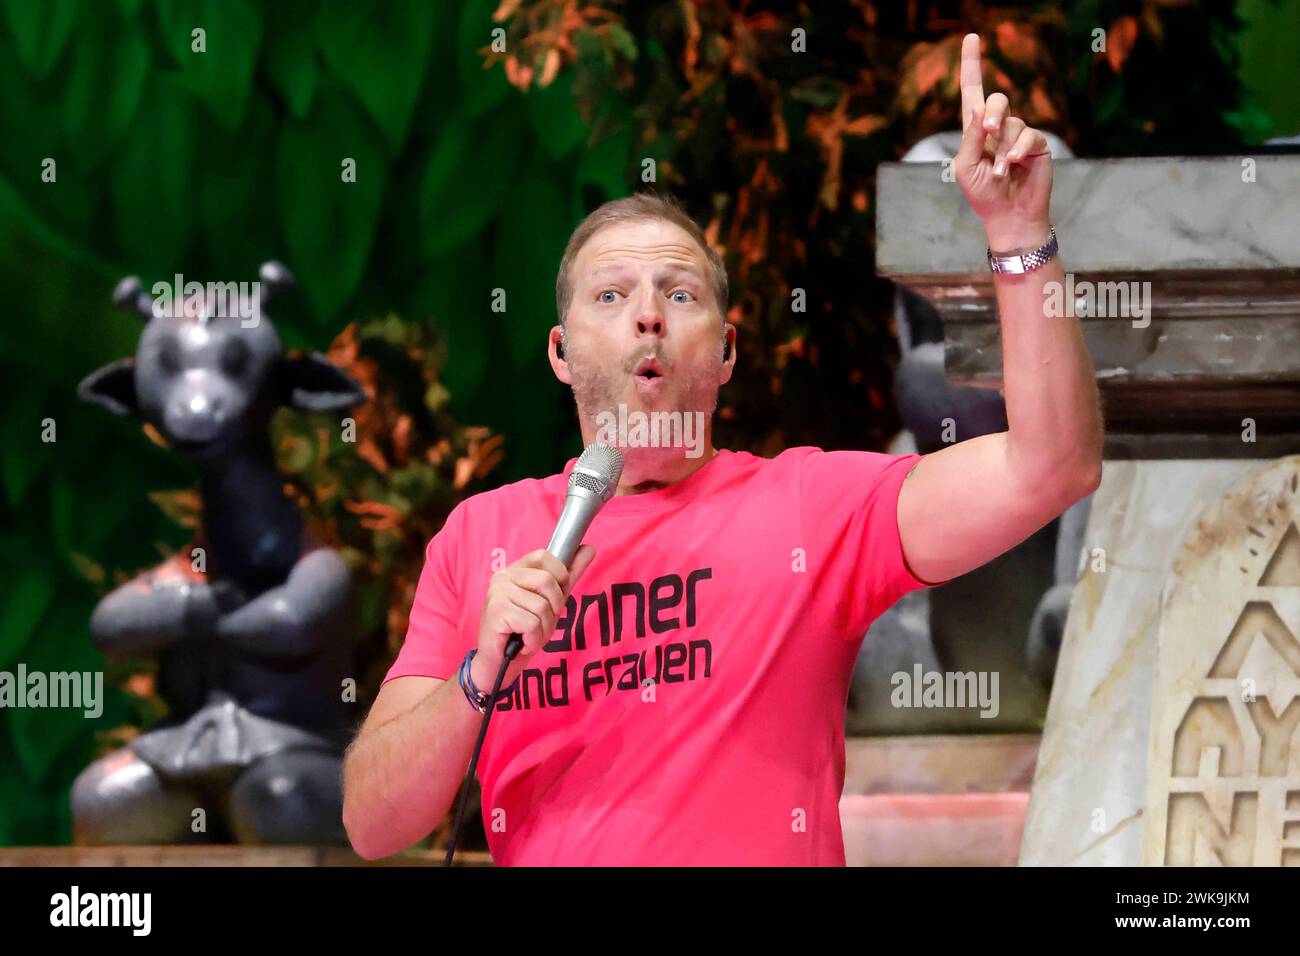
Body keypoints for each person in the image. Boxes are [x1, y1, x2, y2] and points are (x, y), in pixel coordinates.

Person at [342, 33, 1102, 865]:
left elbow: (1051, 465)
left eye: (679, 292)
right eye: (611, 294)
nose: (648, 315)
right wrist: (475, 678)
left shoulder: (813, 507)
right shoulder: (480, 536)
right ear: (560, 353)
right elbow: (373, 824)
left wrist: (1020, 235)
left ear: (728, 350)